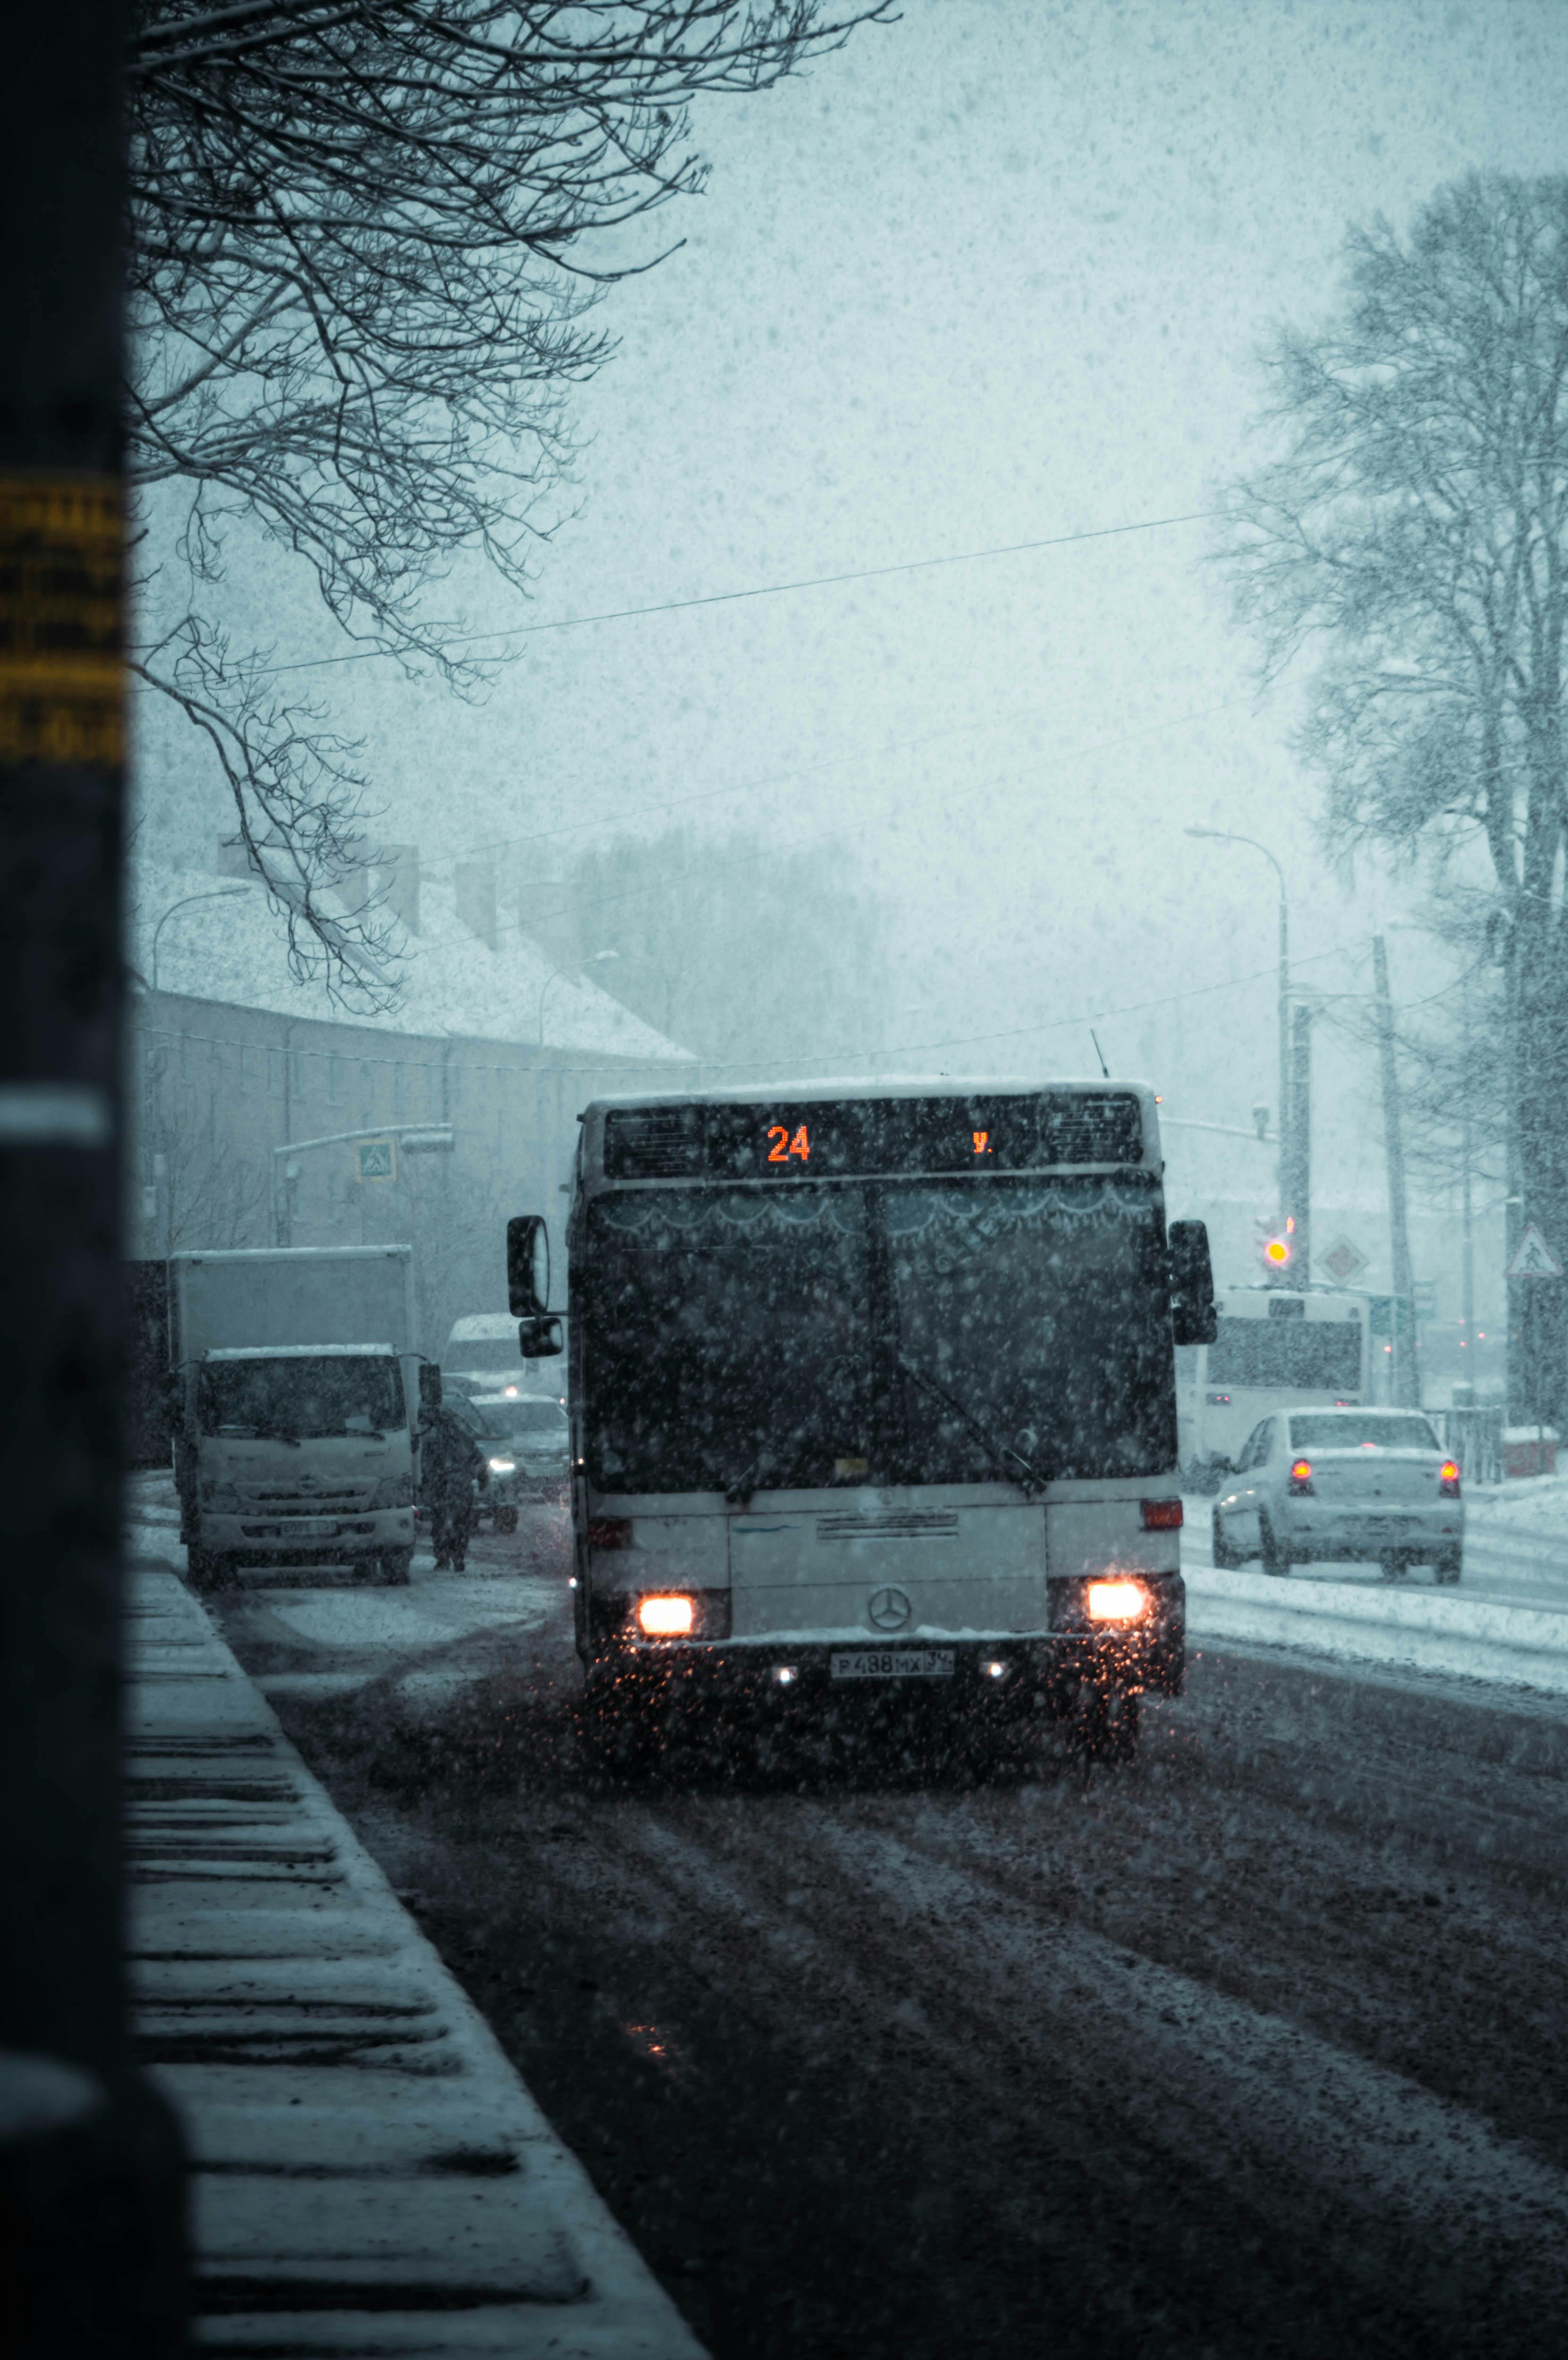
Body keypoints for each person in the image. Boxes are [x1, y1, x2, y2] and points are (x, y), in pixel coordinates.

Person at [419, 1402, 488, 1571]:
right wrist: (482, 1480)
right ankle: (457, 1557)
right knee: (460, 1525)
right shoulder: (462, 1437)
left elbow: (423, 1465)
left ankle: (444, 1558)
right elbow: (478, 1460)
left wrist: (424, 1485)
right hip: (460, 1487)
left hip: (442, 1488)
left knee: (441, 1524)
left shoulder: (430, 1438)